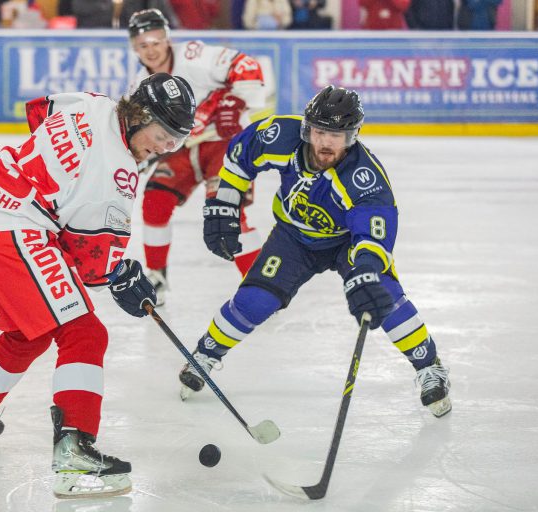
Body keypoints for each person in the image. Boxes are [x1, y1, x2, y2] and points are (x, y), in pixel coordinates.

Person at [0, 73, 197, 499]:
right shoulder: (118, 174)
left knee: (28, 331)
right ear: (141, 115)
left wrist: (44, 187)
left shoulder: (94, 103)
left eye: (176, 139)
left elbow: (40, 113)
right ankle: (75, 451)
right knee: (84, 332)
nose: (166, 148)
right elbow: (93, 269)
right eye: (163, 134)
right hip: (12, 233)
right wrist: (123, 276)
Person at [178, 85, 452, 419]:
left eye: (336, 135)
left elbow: (374, 235)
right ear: (307, 128)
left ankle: (429, 366)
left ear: (352, 136)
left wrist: (365, 271)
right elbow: (241, 156)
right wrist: (225, 203)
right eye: (319, 132)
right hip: (294, 237)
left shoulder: (364, 178)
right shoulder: (281, 135)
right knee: (255, 300)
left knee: (384, 294)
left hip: (347, 241)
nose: (325, 143)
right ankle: (205, 354)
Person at [128, 8, 268, 305]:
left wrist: (236, 100)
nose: (150, 50)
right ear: (133, 48)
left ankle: (260, 287)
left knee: (226, 212)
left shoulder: (194, 55)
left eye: (155, 41)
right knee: (155, 201)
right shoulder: (139, 86)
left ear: (167, 39)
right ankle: (157, 276)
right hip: (180, 148)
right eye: (143, 45)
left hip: (223, 145)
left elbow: (247, 66)